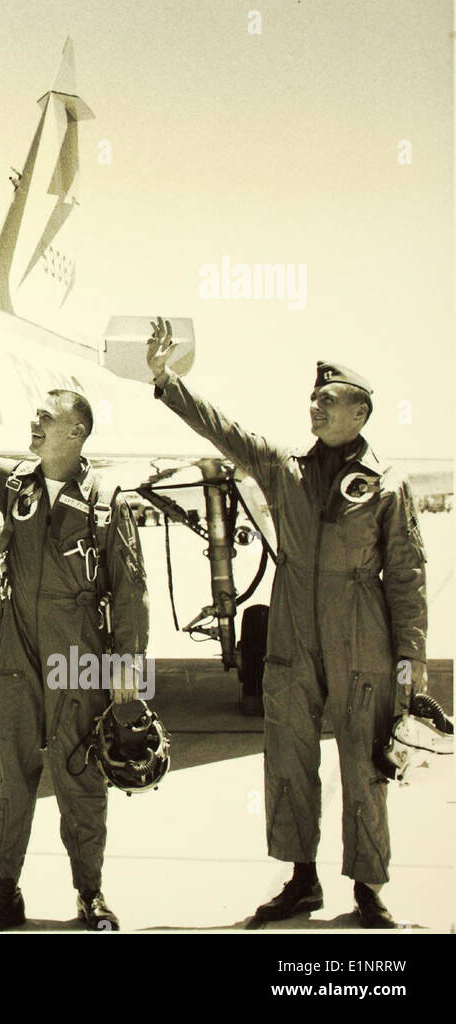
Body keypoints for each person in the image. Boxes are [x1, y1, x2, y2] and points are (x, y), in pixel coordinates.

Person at [146, 318, 427, 929]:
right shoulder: (283, 469)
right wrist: (168, 382)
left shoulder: (387, 484)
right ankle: (301, 879)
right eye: (313, 399)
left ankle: (369, 887)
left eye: (328, 400)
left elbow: (406, 576)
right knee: (289, 757)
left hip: (362, 631)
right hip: (294, 628)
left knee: (365, 761)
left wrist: (413, 660)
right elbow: (226, 432)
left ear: (361, 411)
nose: (314, 408)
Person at [0, 349, 149, 931]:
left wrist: (128, 672)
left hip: (80, 656)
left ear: (75, 431)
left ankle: (91, 894)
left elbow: (130, 591)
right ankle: (6, 892)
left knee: (80, 774)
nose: (33, 423)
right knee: (12, 771)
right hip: (18, 653)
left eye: (44, 417)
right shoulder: (14, 483)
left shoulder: (109, 501)